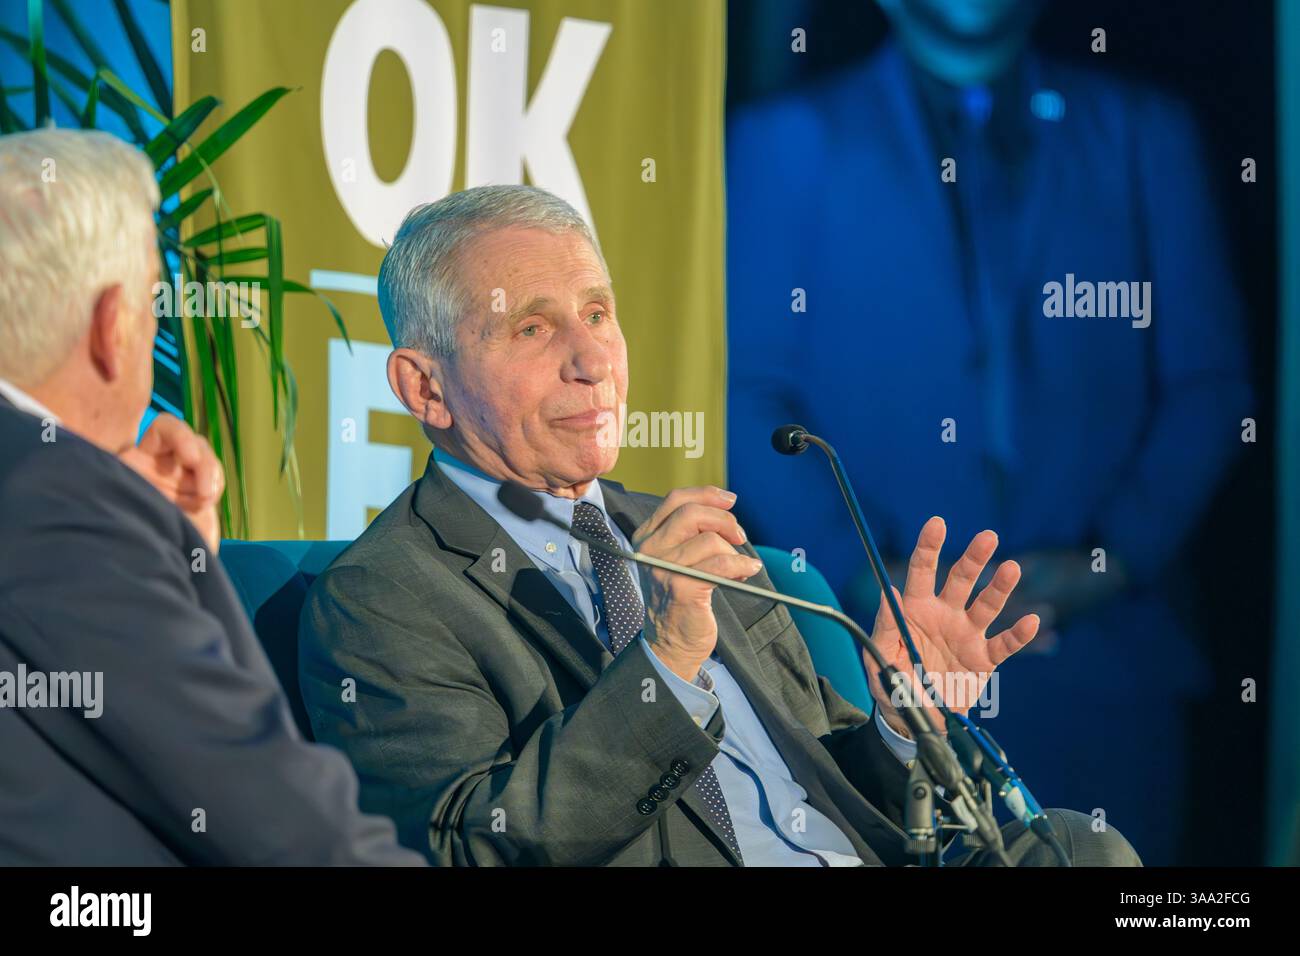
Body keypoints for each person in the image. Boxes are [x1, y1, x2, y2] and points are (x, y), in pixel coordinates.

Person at [298, 183, 1141, 866]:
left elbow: (834, 783)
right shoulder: (383, 596)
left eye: (597, 313)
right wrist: (662, 663)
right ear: (424, 388)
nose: (594, 362)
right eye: (531, 327)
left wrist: (899, 720)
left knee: (1081, 849)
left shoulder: (691, 539)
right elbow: (472, 848)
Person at [724, 0, 1252, 865]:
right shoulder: (779, 141)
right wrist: (867, 578)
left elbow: (1211, 384)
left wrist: (1110, 562)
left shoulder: (1145, 133)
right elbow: (745, 389)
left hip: (1107, 670)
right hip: (867, 676)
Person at [0, 127, 422, 865]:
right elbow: (273, 815)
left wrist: (158, 541)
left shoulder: (50, 499)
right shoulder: (55, 496)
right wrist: (163, 545)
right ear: (116, 328)